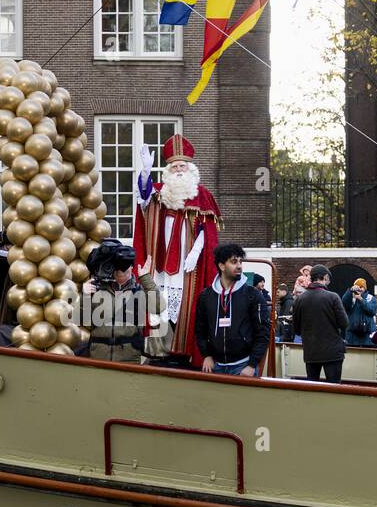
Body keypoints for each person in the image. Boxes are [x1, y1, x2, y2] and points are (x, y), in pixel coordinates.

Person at [133, 133, 222, 367]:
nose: (179, 170)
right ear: (168, 169)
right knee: (159, 305)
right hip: (161, 263)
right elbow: (143, 198)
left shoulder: (201, 194)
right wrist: (145, 172)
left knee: (186, 307)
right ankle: (159, 351)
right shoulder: (159, 191)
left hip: (186, 266)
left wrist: (196, 253)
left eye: (183, 165)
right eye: (174, 166)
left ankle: (183, 353)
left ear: (190, 168)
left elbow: (207, 230)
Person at [82, 239, 162, 363]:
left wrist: (146, 279)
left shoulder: (139, 290)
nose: (123, 270)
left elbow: (158, 307)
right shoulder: (96, 291)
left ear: (132, 267)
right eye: (119, 267)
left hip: (129, 358)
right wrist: (85, 297)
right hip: (99, 357)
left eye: (127, 266)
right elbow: (86, 323)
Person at [195, 244, 268, 377]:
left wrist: (252, 364)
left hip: (243, 367)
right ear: (221, 266)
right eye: (234, 262)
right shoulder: (206, 296)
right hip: (215, 366)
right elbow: (200, 330)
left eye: (240, 261)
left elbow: (262, 332)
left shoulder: (253, 295)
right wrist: (206, 355)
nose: (239, 266)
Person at [293, 264, 349, 382]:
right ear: (324, 277)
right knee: (334, 389)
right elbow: (344, 323)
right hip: (333, 352)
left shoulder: (299, 299)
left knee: (312, 389)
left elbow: (296, 329)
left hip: (311, 352)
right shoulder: (333, 297)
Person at [342, 278, 377, 346]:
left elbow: (372, 311)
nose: (359, 289)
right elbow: (344, 302)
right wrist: (350, 291)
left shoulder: (371, 298)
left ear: (365, 288)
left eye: (361, 287)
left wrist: (361, 300)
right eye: (357, 287)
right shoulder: (351, 298)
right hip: (352, 336)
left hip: (367, 336)